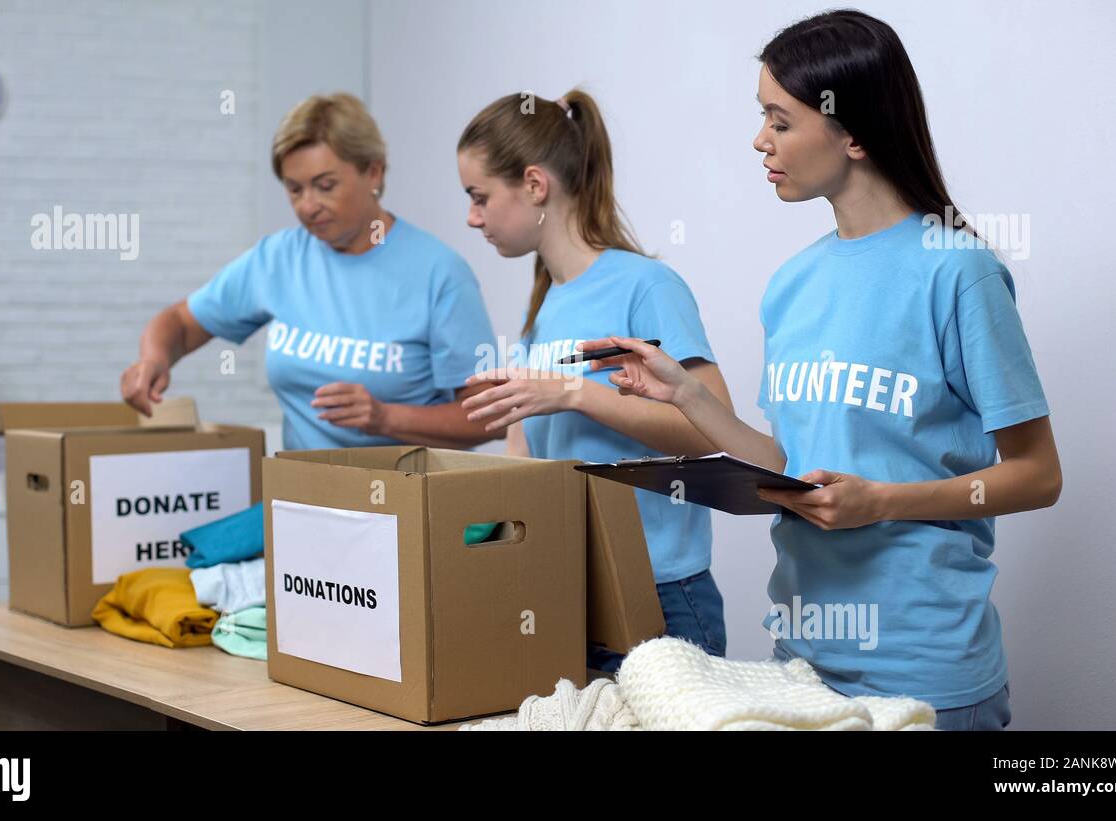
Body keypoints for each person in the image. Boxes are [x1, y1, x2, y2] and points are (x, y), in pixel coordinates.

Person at [575, 11, 1061, 729]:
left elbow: (1038, 473)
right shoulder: (791, 283)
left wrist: (882, 501)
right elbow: (794, 464)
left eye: (780, 119)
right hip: (801, 660)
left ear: (853, 133)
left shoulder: (958, 273)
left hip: (928, 672)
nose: (759, 140)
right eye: (761, 117)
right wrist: (685, 395)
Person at [457, 89, 736, 672]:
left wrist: (574, 394)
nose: (472, 217)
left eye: (480, 197)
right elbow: (523, 458)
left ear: (535, 185)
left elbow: (718, 434)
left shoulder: (647, 287)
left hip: (661, 593)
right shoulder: (544, 307)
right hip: (570, 589)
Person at [122, 93, 500, 451]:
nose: (308, 206)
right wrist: (153, 359)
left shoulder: (439, 274)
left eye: (325, 186)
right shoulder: (278, 259)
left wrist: (386, 418)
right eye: (294, 190)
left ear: (373, 173)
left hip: (401, 502)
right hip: (302, 496)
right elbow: (181, 323)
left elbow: (488, 418)